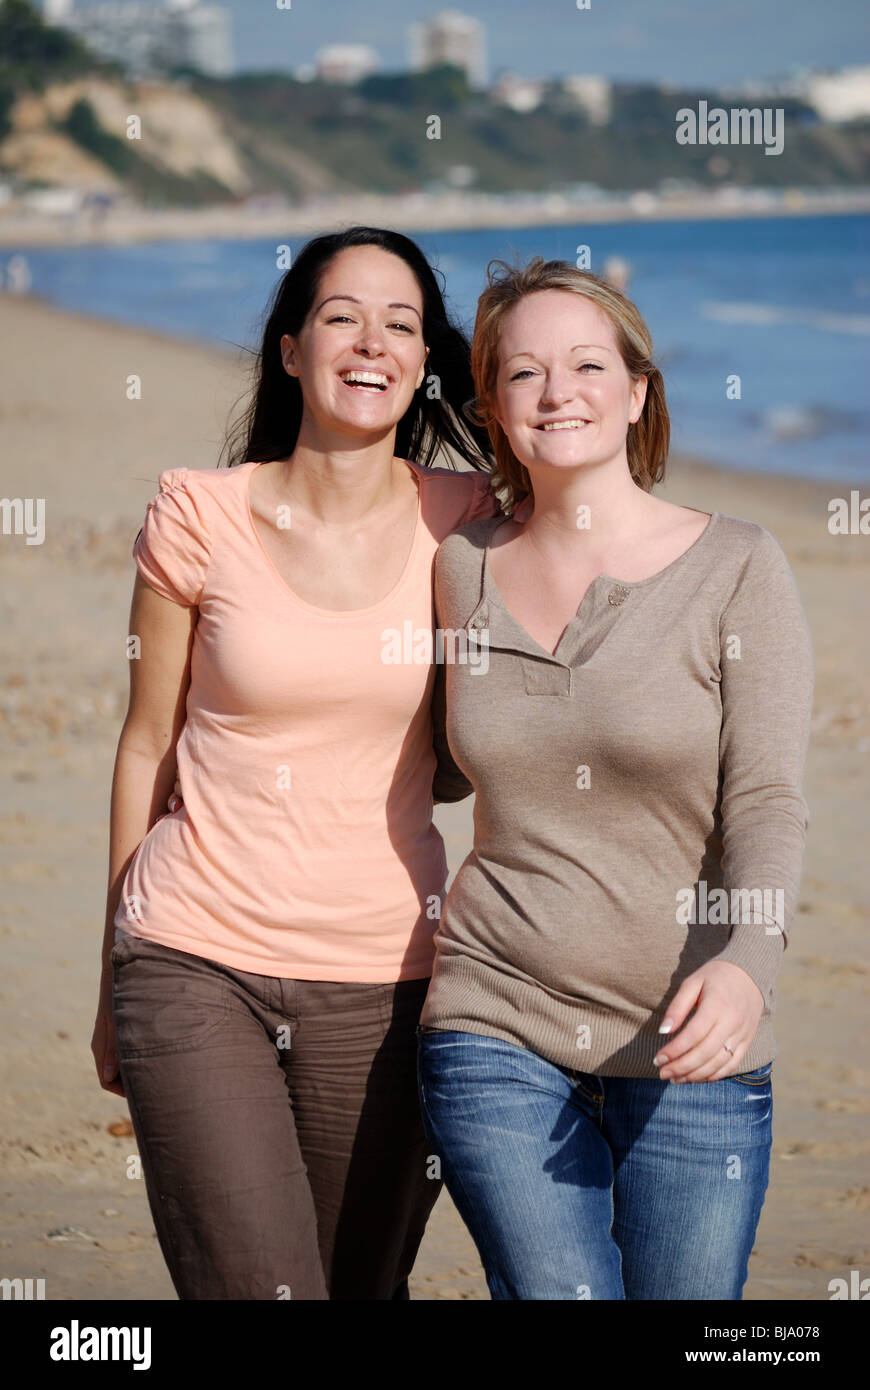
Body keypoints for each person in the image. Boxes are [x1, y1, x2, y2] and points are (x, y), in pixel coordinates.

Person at [90, 226, 497, 1300]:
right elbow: (145, 744)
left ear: (425, 364)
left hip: (393, 980)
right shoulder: (197, 511)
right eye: (341, 316)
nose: (372, 343)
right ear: (288, 349)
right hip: (191, 955)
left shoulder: (469, 522)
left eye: (402, 324)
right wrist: (110, 974)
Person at [417, 257, 814, 1300]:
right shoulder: (458, 565)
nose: (559, 394)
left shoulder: (738, 566)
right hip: (494, 1015)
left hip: (692, 1034)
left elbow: (766, 800)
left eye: (590, 365)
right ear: (493, 407)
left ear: (639, 391)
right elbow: (422, 763)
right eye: (525, 373)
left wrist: (748, 963)